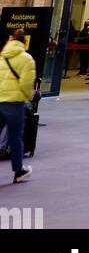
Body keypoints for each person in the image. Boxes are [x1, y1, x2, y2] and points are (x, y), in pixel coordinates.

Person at [0, 29, 36, 184]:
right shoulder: (26, 59)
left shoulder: (2, 57)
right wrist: (28, 98)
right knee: (15, 138)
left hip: (0, 100)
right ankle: (18, 171)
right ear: (24, 42)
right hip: (14, 103)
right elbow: (26, 84)